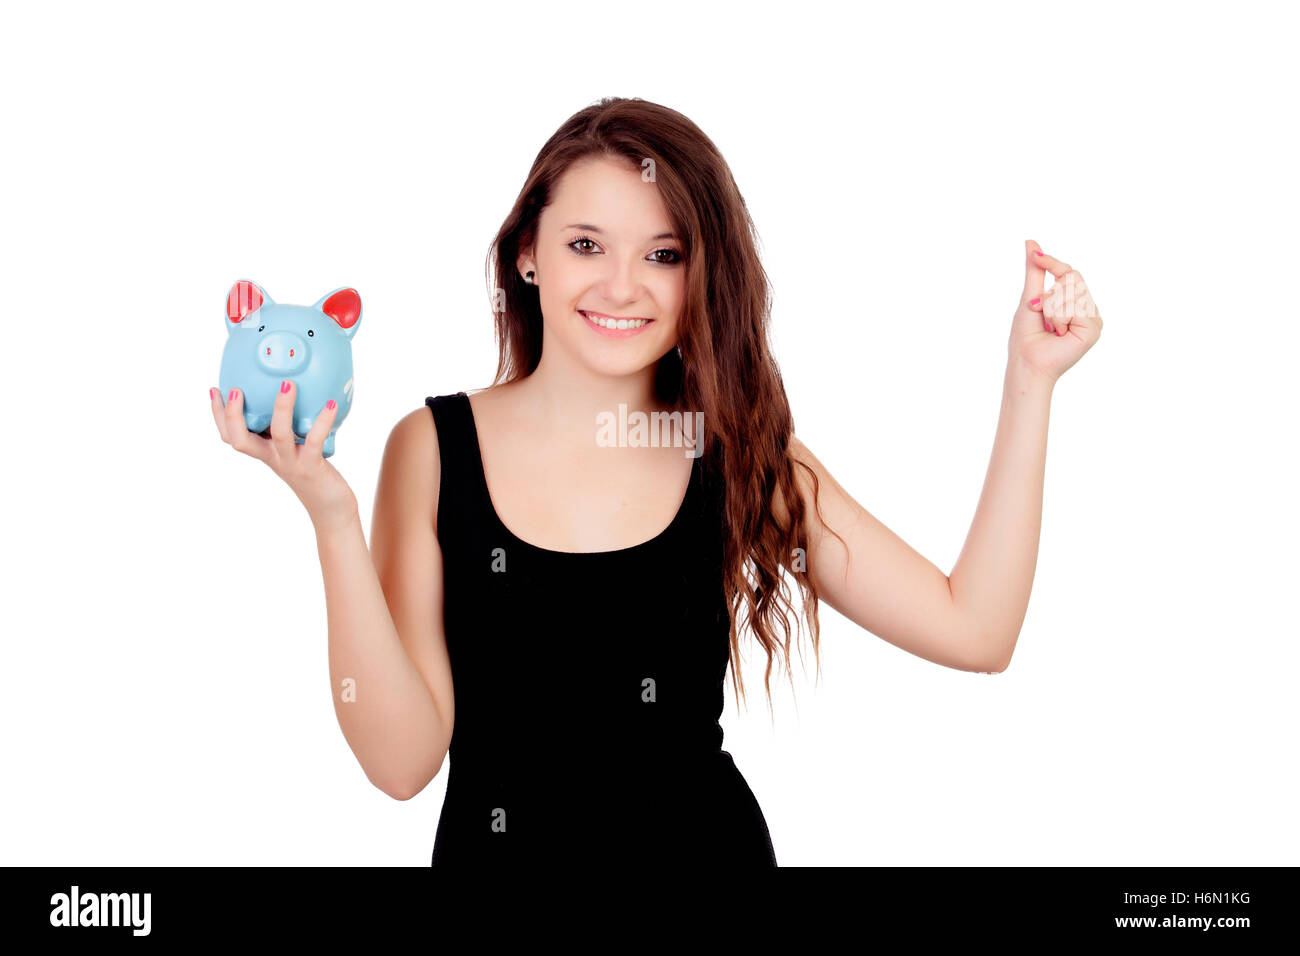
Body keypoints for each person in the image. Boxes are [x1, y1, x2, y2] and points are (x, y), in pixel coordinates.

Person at [208, 96, 1102, 867]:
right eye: (587, 243)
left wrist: (1031, 382)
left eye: (664, 255)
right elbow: (401, 765)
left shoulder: (731, 448)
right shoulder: (432, 447)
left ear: (699, 277)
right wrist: (331, 517)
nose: (623, 285)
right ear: (529, 253)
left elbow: (975, 629)